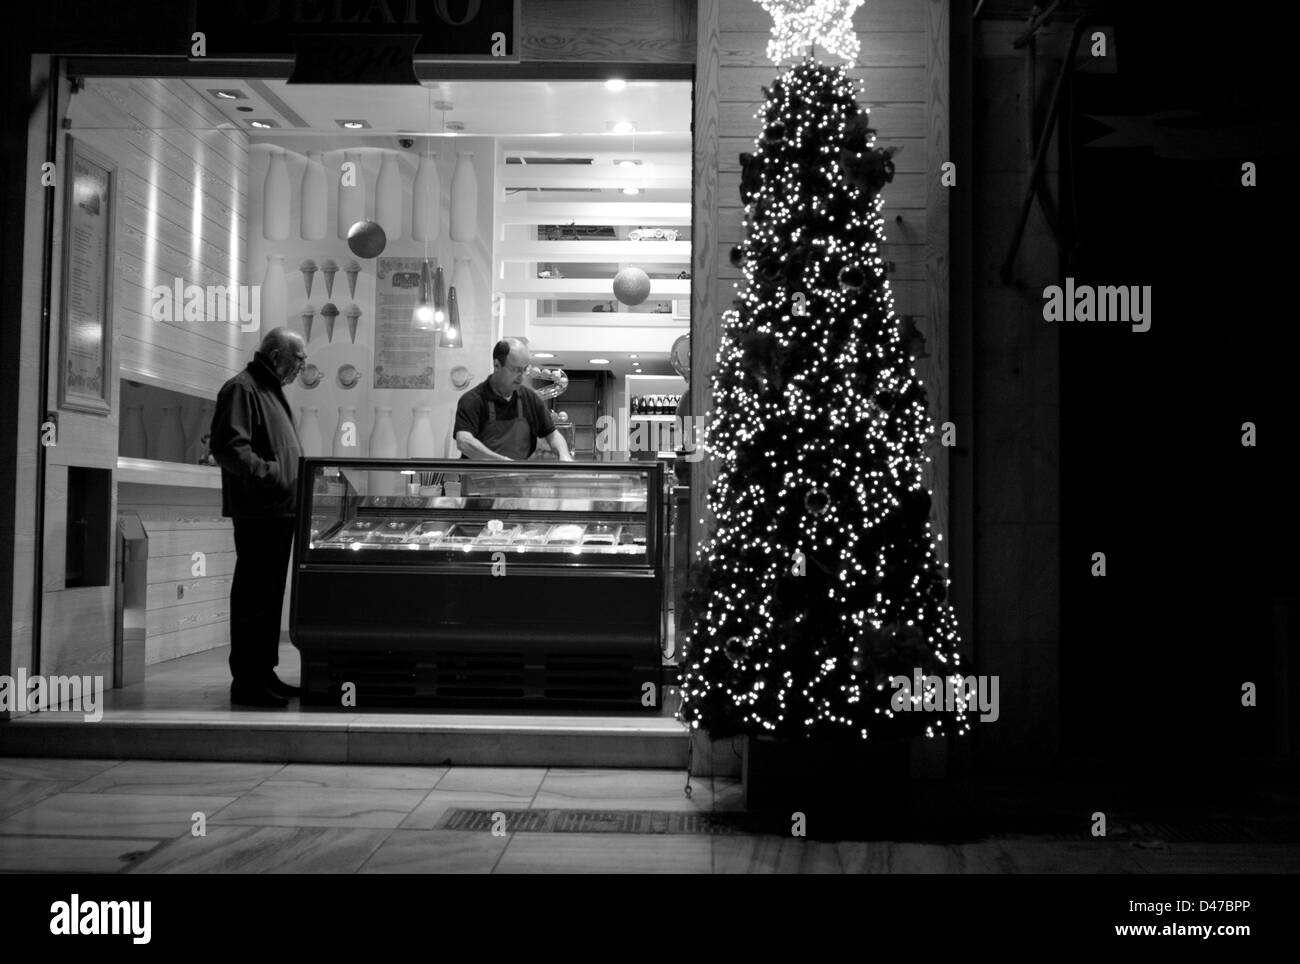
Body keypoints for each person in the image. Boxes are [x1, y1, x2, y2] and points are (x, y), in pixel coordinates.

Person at [209, 328, 307, 708]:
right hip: (259, 510)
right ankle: (247, 682)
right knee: (254, 597)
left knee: (268, 597)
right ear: (278, 355)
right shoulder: (243, 388)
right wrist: (273, 474)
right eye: (299, 359)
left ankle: (264, 673)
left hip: (278, 510)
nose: (301, 368)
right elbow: (229, 447)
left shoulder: (268, 388)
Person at [454, 338, 574, 461]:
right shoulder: (473, 400)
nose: (521, 377)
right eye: (515, 370)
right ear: (497, 365)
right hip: (478, 478)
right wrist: (502, 463)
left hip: (518, 477)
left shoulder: (530, 399)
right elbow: (464, 442)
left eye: (524, 369)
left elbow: (553, 435)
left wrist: (565, 456)